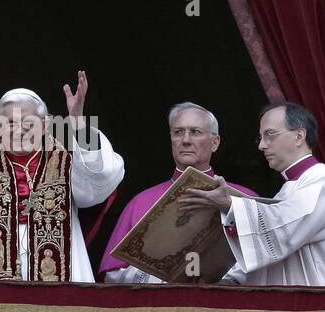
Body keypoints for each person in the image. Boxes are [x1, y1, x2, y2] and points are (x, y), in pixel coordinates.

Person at [0, 72, 124, 282]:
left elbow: (98, 184)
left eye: (28, 123)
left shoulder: (68, 166)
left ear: (45, 126)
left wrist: (79, 124)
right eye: (10, 123)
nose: (19, 131)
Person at [178, 101, 325, 286]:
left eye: (269, 135)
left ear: (299, 135)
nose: (262, 146)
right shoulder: (290, 188)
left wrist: (230, 205)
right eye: (260, 138)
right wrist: (230, 280)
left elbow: (283, 231)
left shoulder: (324, 181)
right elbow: (268, 252)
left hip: (318, 306)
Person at [100, 102, 258, 284]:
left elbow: (266, 263)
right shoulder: (141, 202)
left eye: (195, 132)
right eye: (178, 132)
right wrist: (163, 274)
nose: (185, 140)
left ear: (215, 143)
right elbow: (113, 277)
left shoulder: (245, 198)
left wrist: (223, 278)